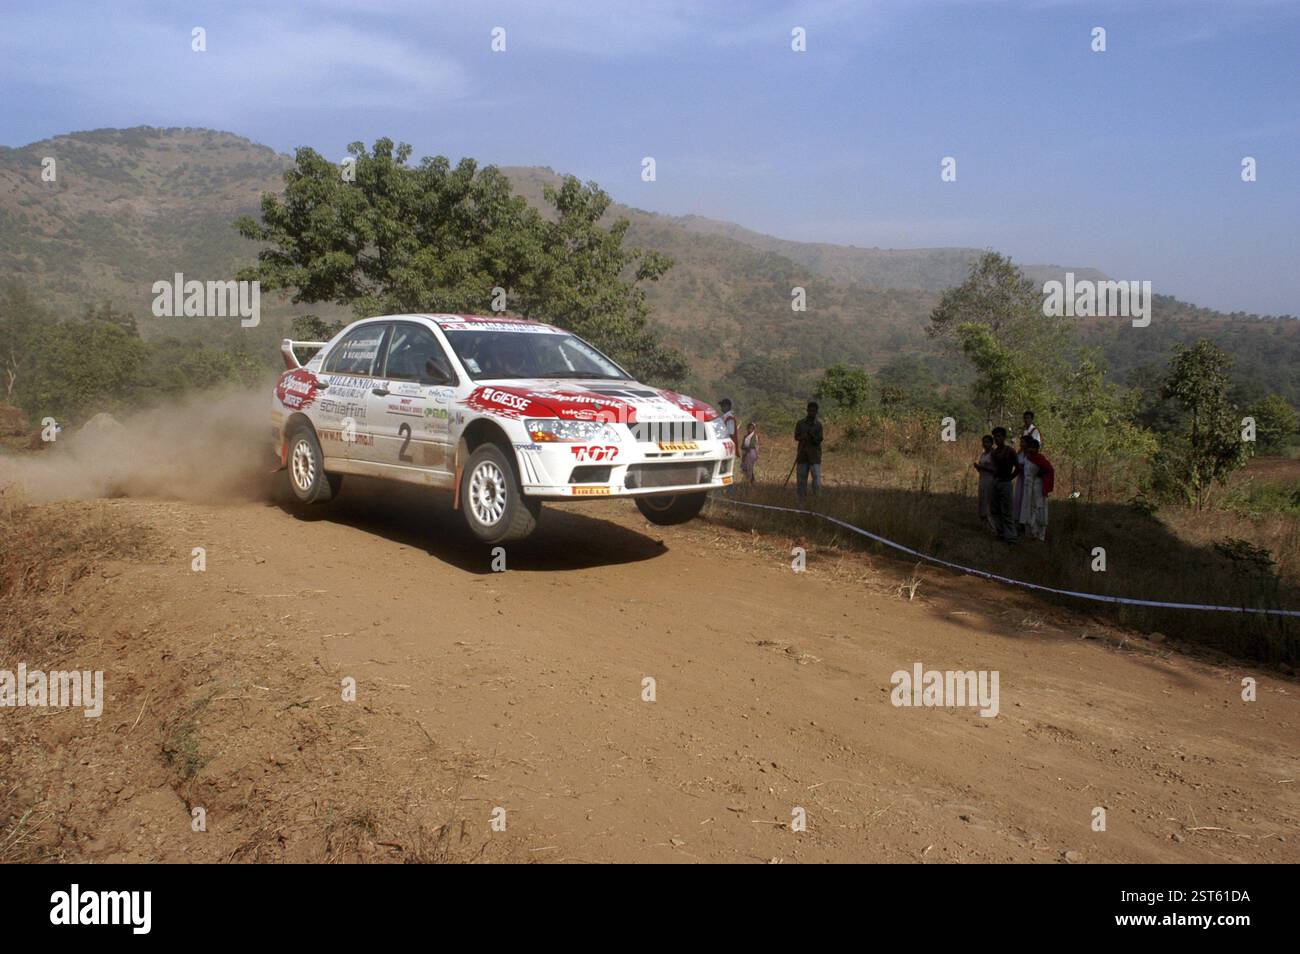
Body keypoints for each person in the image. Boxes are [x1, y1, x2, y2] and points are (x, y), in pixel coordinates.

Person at [989, 427, 1020, 542]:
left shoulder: (1010, 451)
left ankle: (1011, 537)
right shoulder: (994, 452)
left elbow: (1018, 468)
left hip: (1006, 483)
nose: (996, 439)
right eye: (994, 437)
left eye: (998, 436)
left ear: (1003, 437)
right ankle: (1000, 532)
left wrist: (1010, 478)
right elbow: (993, 468)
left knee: (1006, 510)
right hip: (996, 482)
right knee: (995, 509)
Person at [1019, 436, 1054, 540]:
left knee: (1038, 507)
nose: (1030, 449)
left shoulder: (1040, 458)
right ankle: (1030, 532)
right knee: (1028, 506)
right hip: (1028, 486)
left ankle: (1040, 534)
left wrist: (1039, 475)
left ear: (1037, 449)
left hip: (1037, 486)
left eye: (1033, 448)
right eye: (1030, 447)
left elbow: (1049, 470)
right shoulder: (1027, 458)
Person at [794, 402, 823, 498]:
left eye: (814, 411)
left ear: (816, 412)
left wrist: (812, 435)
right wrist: (804, 436)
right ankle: (801, 501)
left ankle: (817, 500)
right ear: (807, 411)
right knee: (801, 480)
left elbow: (819, 440)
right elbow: (796, 437)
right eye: (810, 410)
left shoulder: (818, 425)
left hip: (814, 457)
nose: (811, 413)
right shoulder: (800, 423)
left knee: (816, 480)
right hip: (802, 455)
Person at [973, 434, 997, 533]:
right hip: (982, 479)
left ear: (991, 443)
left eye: (987, 442)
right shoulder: (983, 454)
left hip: (990, 480)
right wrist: (978, 468)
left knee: (988, 501)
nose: (985, 444)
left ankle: (992, 527)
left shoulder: (993, 454)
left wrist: (983, 468)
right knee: (982, 500)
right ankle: (984, 525)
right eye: (984, 442)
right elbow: (981, 469)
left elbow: (995, 470)